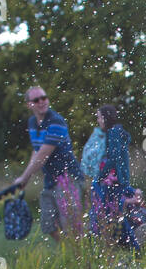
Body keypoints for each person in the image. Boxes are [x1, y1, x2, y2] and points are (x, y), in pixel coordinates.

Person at [15, 86, 84, 240]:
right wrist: (24, 178)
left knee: (72, 226)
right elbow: (36, 151)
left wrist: (25, 177)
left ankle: (80, 258)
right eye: (36, 100)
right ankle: (68, 254)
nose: (42, 102)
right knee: (49, 224)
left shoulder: (56, 121)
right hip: (50, 181)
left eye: (44, 98)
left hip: (68, 178)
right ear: (29, 104)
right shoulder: (32, 123)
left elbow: (43, 155)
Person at [91, 104, 131, 236]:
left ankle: (133, 246)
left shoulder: (113, 132)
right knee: (115, 212)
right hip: (121, 179)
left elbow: (113, 158)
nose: (98, 121)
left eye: (99, 117)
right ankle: (130, 245)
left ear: (105, 118)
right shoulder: (117, 132)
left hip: (116, 180)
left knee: (112, 211)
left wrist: (100, 176)